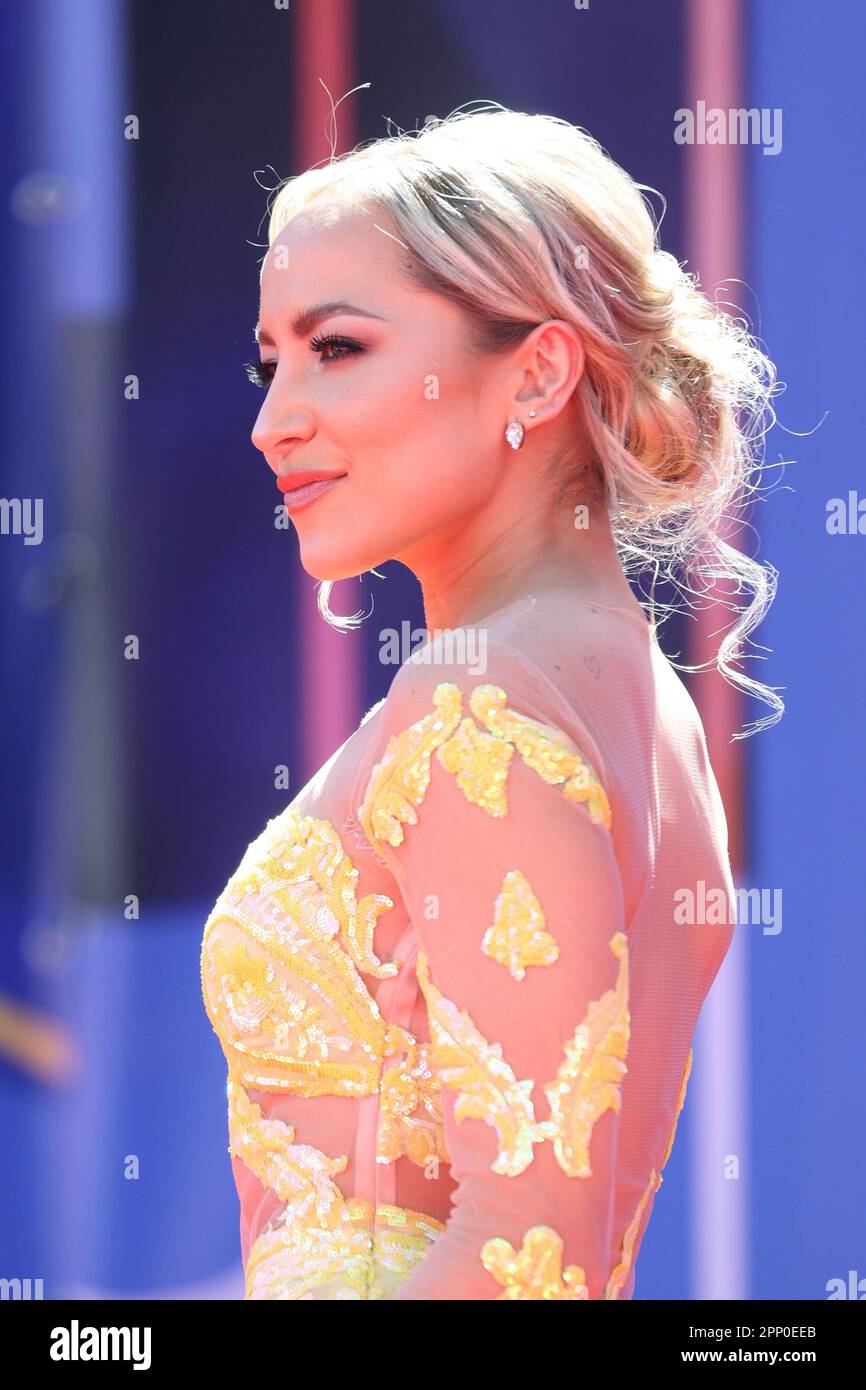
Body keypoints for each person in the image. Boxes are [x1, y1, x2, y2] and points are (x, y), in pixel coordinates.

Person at [200, 104, 780, 1299]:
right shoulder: (622, 696)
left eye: (337, 348)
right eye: (272, 363)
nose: (272, 422)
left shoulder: (482, 697)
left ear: (538, 369)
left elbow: (527, 1260)